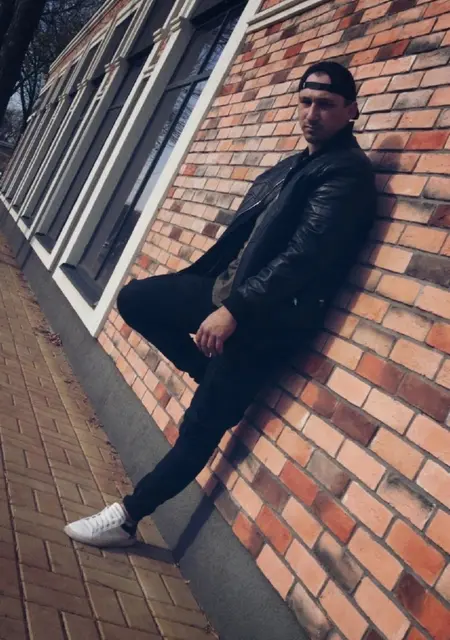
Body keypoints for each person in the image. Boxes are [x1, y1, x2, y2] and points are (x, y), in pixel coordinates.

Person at [64, 61, 377, 547]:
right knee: (136, 299)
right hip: (227, 293)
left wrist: (235, 311)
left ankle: (127, 518)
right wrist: (221, 297)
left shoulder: (346, 172)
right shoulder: (299, 164)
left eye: (326, 105)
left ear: (351, 111)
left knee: (200, 426)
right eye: (305, 101)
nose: (312, 113)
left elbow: (305, 256)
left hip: (264, 321)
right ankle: (206, 372)